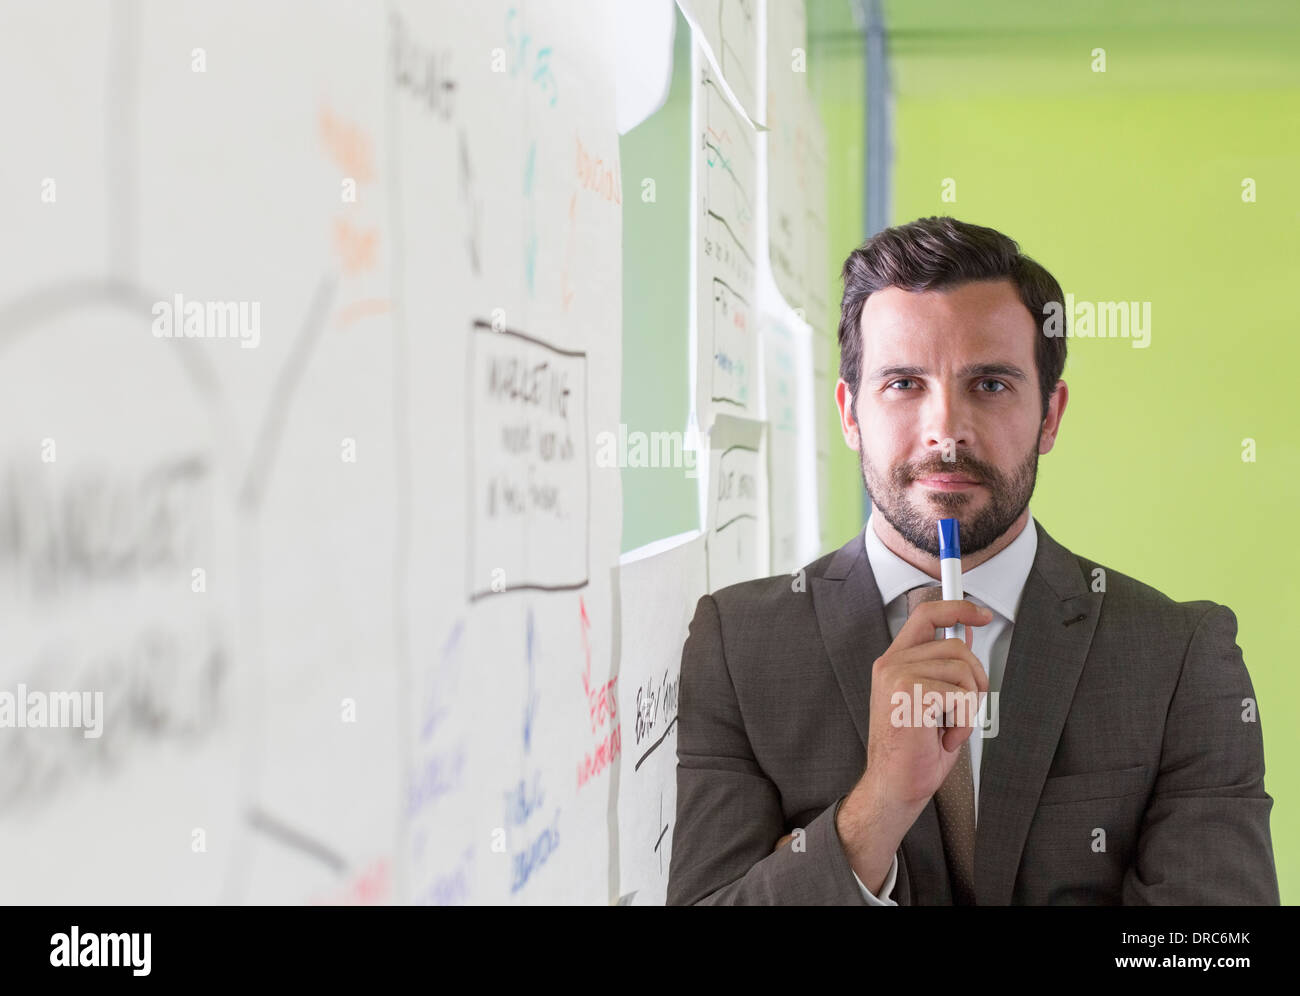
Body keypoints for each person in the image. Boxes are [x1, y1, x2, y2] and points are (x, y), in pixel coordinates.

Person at [666, 216, 1280, 905]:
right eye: (904, 384)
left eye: (989, 385)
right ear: (850, 414)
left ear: (1050, 416)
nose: (946, 432)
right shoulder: (739, 647)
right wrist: (877, 809)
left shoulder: (1178, 657)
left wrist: (802, 863)